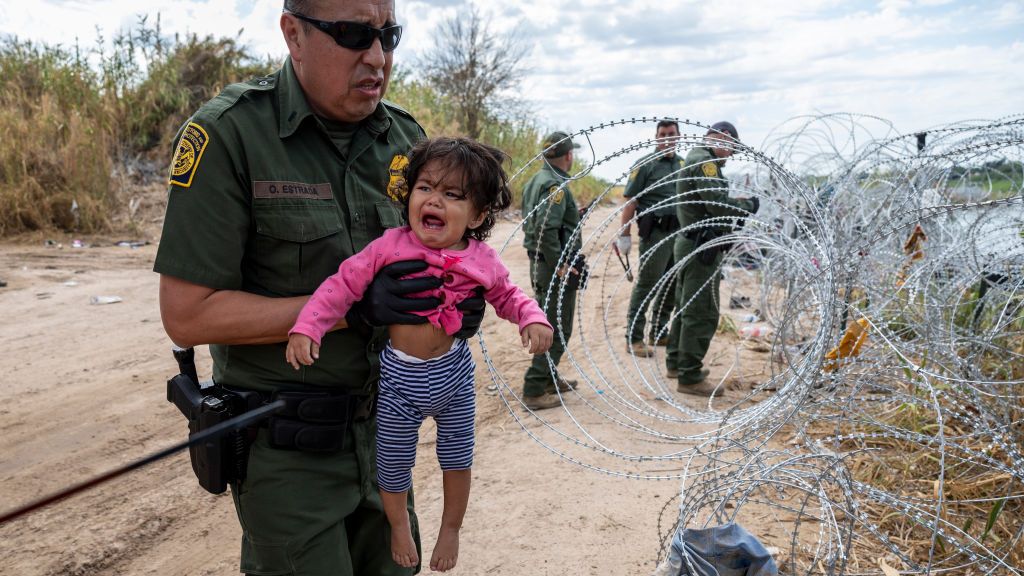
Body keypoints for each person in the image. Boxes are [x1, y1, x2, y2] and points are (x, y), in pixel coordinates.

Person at [154, 2, 484, 574]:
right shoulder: (230, 135)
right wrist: (347, 311)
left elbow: (441, 256)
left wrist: (454, 299)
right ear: (293, 34)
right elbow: (188, 314)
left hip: (386, 440)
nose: (376, 58)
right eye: (354, 35)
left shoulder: (406, 141)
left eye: (388, 36)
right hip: (288, 459)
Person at [285, 137, 553, 572]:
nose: (435, 200)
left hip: (454, 378)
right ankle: (397, 525)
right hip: (398, 381)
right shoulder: (389, 246)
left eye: (453, 195)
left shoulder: (481, 259)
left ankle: (451, 527)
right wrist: (308, 325)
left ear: (478, 215)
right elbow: (341, 285)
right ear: (408, 195)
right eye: (425, 187)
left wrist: (532, 319)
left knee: (457, 458)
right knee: (391, 466)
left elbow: (510, 295)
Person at [666, 121, 759, 396]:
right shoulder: (704, 161)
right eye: (732, 149)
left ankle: (676, 362)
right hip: (700, 246)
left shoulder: (699, 159)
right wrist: (747, 205)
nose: (731, 156)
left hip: (692, 243)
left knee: (685, 306)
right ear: (724, 138)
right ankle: (690, 375)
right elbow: (715, 202)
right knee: (701, 311)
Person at [520, 131, 584, 410]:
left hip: (542, 261)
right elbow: (547, 228)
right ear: (568, 155)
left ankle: (549, 377)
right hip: (553, 263)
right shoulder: (554, 185)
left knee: (551, 319)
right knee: (558, 326)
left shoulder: (536, 180)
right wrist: (562, 266)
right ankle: (535, 387)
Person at [616, 120, 683, 357]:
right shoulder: (646, 165)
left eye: (671, 134)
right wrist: (624, 235)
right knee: (648, 284)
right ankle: (633, 338)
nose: (667, 138)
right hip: (655, 233)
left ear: (679, 136)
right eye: (662, 134)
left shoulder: (682, 164)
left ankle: (659, 331)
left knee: (671, 285)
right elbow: (630, 201)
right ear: (656, 137)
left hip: (678, 233)